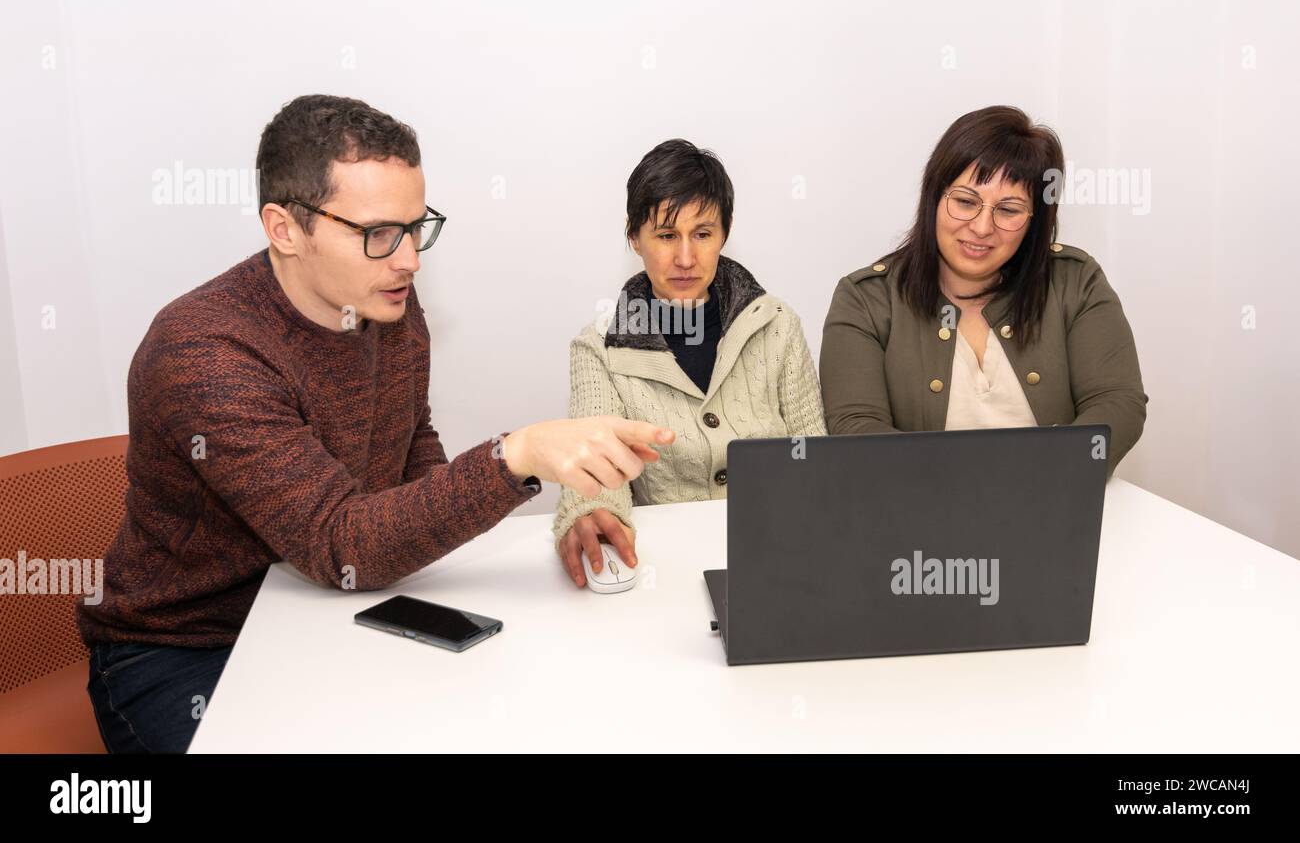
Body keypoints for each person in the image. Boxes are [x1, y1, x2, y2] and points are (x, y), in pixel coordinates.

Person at [77, 95, 673, 752]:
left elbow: (411, 437)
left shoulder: (382, 294)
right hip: (188, 650)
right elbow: (339, 544)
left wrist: (482, 522)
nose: (410, 259)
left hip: (332, 605)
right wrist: (517, 455)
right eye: (380, 233)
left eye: (418, 227)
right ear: (285, 228)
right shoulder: (203, 352)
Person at [552, 139, 826, 585]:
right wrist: (594, 513)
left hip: (780, 555)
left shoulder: (777, 325)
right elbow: (598, 471)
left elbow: (814, 459)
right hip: (667, 568)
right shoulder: (598, 347)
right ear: (633, 237)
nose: (685, 258)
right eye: (665, 235)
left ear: (725, 232)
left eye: (702, 234)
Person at [820, 105, 1146, 476]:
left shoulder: (1075, 281)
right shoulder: (865, 299)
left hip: (1055, 505)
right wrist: (963, 491)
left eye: (1008, 210)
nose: (981, 227)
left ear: (1035, 220)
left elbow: (1118, 402)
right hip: (920, 514)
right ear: (934, 197)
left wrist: (1051, 477)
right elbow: (856, 427)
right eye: (965, 202)